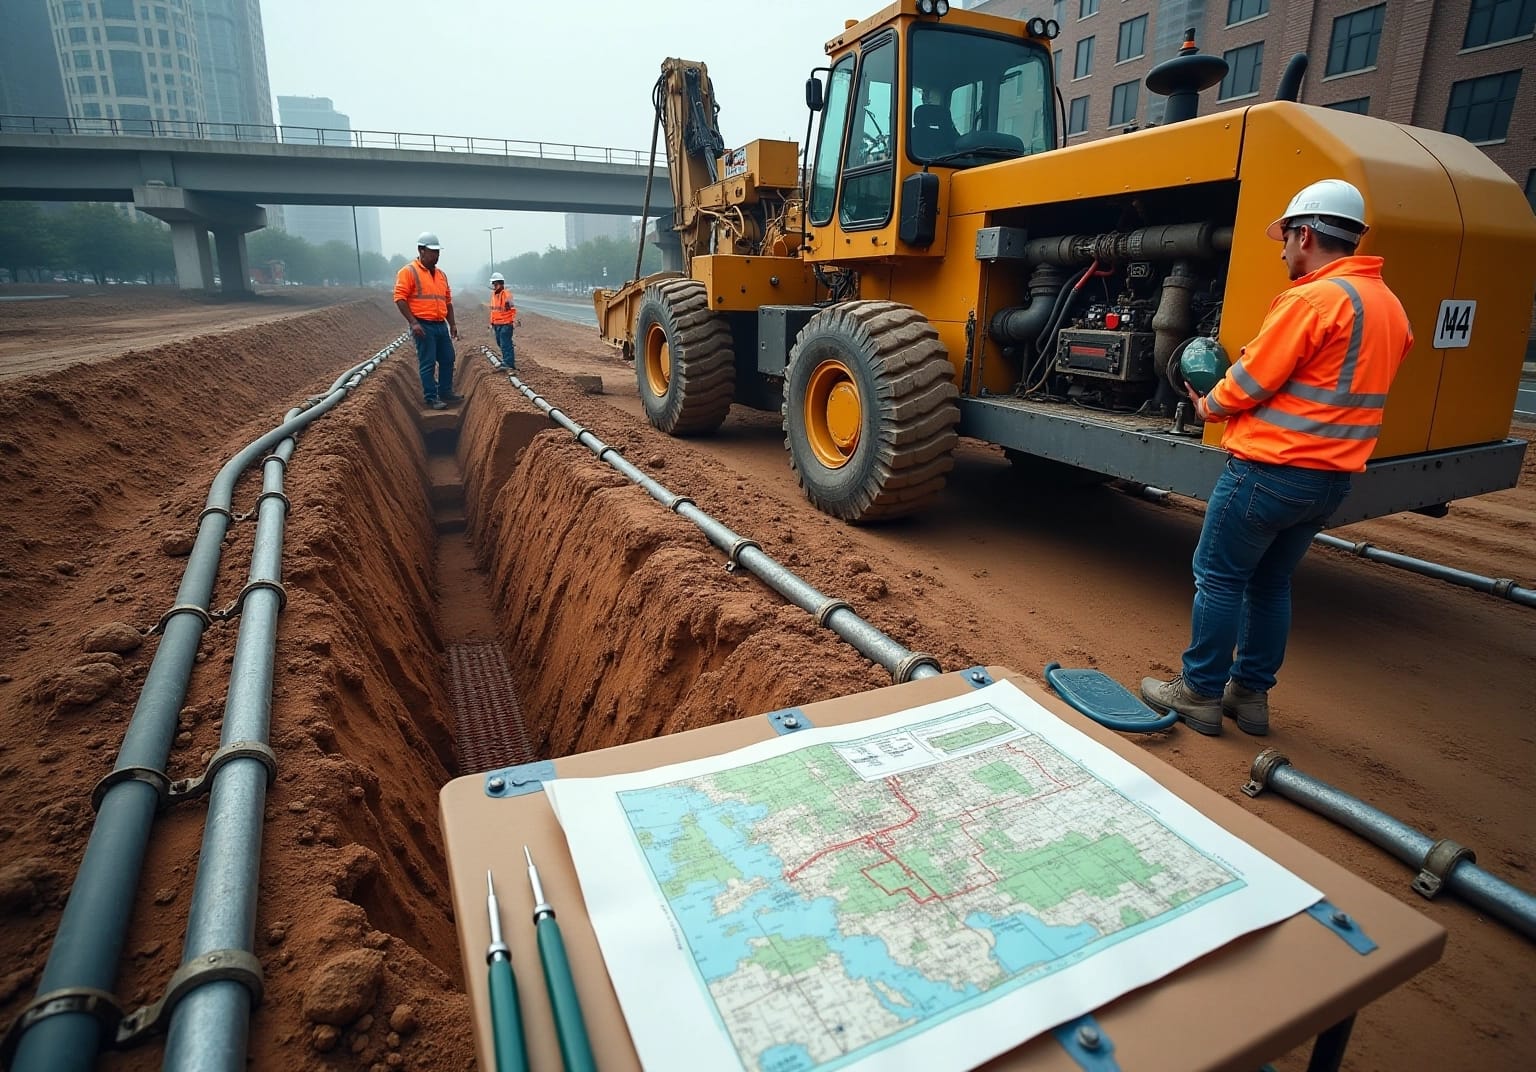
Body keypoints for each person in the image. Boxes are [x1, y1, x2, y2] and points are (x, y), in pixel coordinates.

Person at [1141, 179, 1413, 737]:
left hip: (1269, 471)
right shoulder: (1388, 307)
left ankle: (1198, 693)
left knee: (1217, 578)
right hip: (1330, 479)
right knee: (1271, 585)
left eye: (1285, 238)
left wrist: (1208, 404)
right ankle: (1250, 696)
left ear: (1306, 233)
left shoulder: (1311, 299)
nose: (1283, 250)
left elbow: (1253, 379)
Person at [394, 232, 460, 409]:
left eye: (438, 252)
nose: (436, 256)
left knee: (448, 358)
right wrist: (413, 323)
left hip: (440, 325)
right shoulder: (408, 272)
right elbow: (400, 298)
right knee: (428, 362)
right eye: (432, 252)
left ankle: (445, 391)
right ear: (421, 250)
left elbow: (447, 302)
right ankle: (431, 397)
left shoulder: (441, 275)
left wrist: (452, 323)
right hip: (423, 325)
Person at [489, 271, 517, 369]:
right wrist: (492, 322)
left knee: (505, 343)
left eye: (495, 284)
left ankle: (509, 363)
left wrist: (512, 321)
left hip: (506, 324)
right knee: (500, 343)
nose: (494, 286)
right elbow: (493, 310)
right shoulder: (494, 295)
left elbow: (512, 309)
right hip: (497, 324)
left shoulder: (506, 295)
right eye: (493, 284)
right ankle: (507, 359)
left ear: (501, 283)